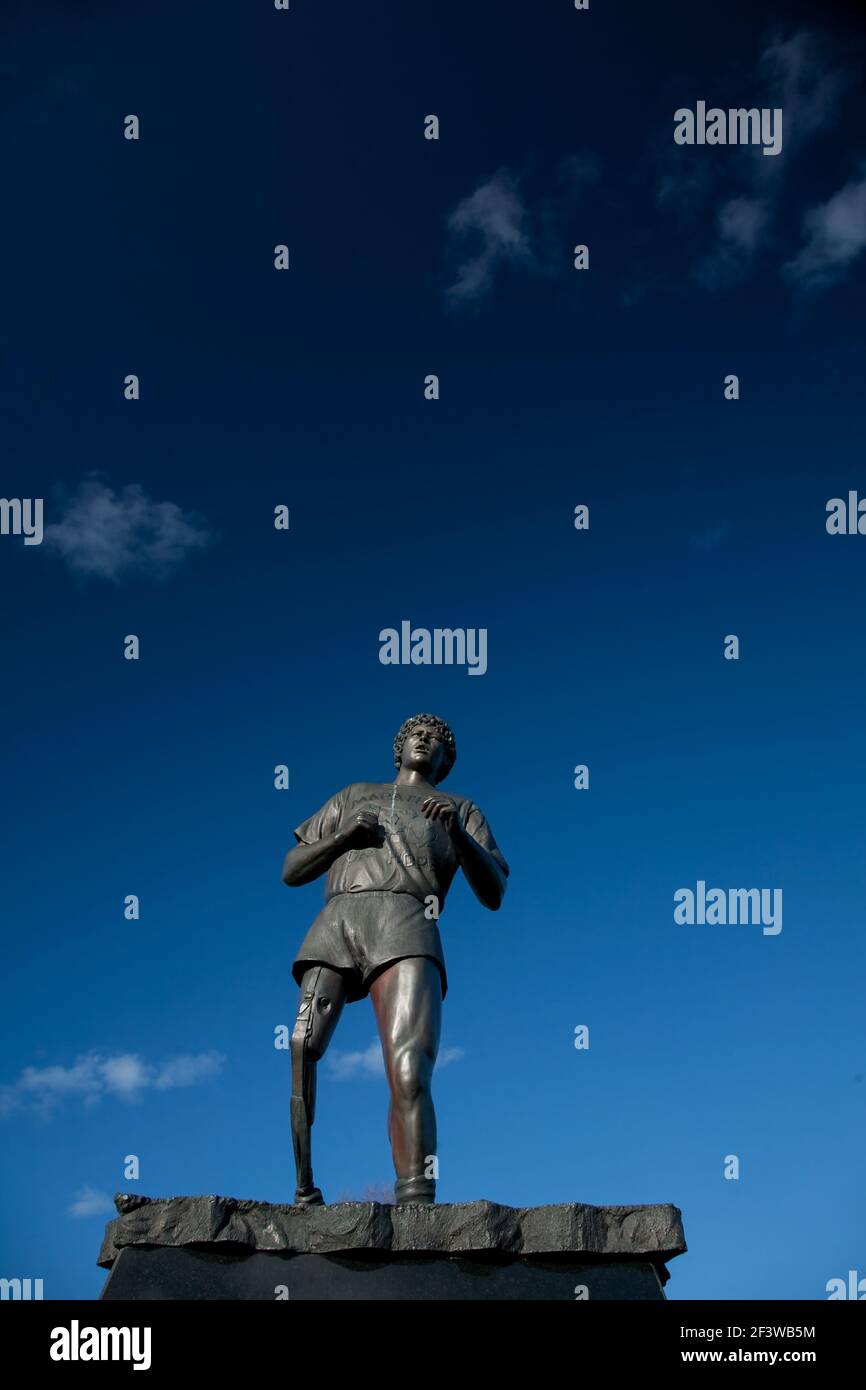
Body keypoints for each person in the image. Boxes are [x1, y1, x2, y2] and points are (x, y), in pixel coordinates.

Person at [281, 713, 509, 1205]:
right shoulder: (353, 794)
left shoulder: (460, 807)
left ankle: (416, 1202)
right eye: (416, 734)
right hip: (339, 918)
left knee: (409, 1071)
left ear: (446, 760)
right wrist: (343, 837)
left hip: (408, 921)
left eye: (437, 740)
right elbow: (291, 870)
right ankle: (304, 1188)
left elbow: (495, 892)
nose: (425, 741)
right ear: (399, 745)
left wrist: (461, 837)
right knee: (301, 1046)